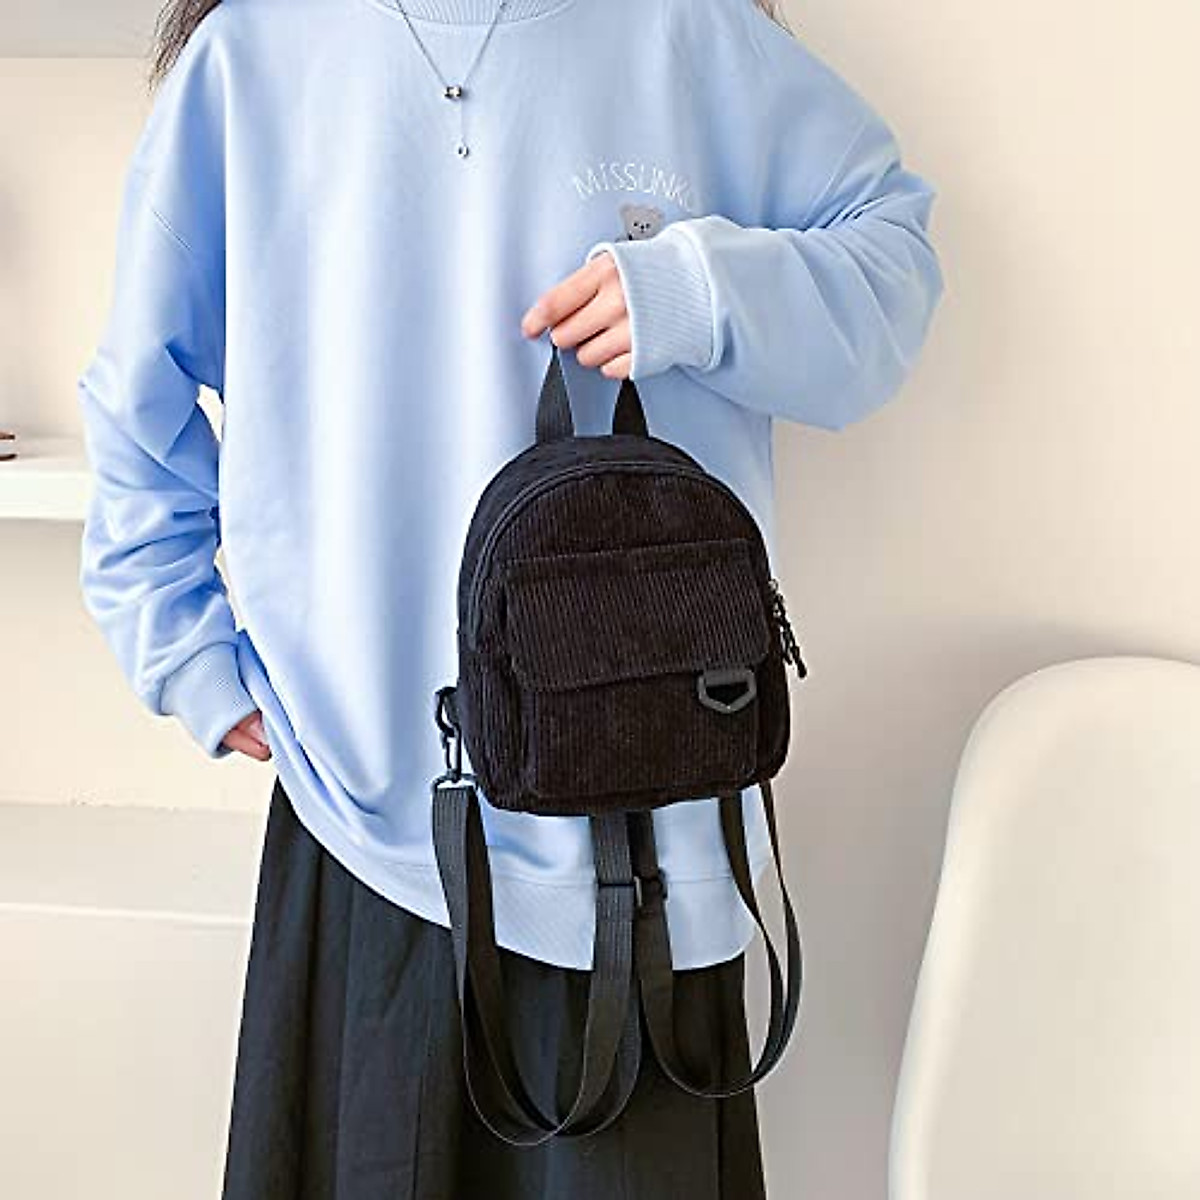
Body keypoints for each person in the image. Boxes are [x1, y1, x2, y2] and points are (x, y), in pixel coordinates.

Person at [75, 0, 945, 1195]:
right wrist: (185, 653)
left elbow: (894, 265)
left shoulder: (683, 33)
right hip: (365, 828)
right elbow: (137, 393)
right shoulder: (255, 56)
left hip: (640, 841)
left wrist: (698, 291)